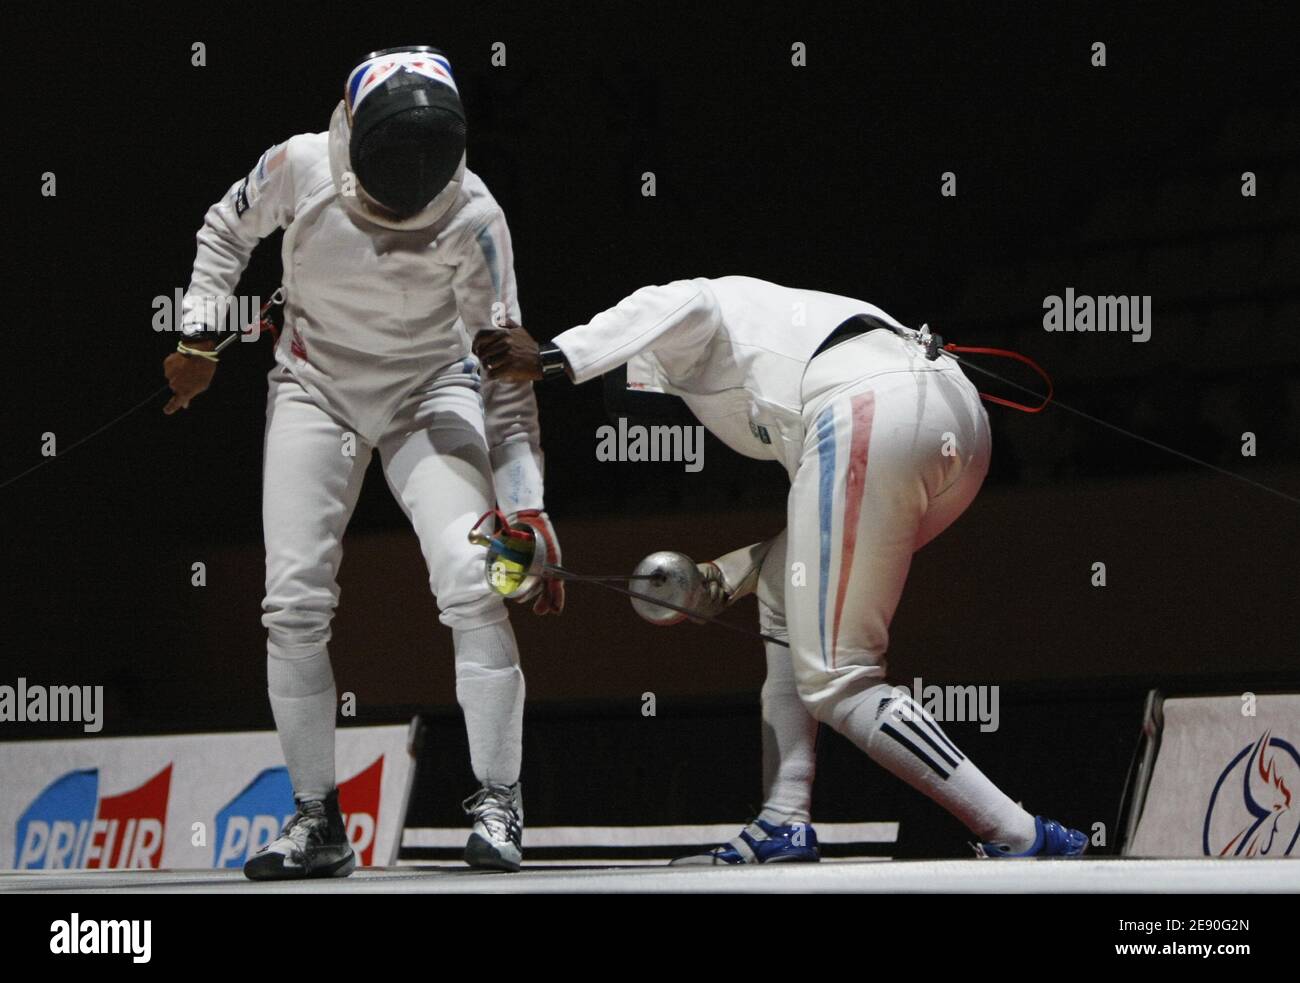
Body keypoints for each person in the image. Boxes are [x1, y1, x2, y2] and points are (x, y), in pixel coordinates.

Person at [474, 275, 1086, 859]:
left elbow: (675, 302)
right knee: (783, 592)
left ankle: (1017, 829)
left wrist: (556, 357)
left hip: (874, 407)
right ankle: (783, 819)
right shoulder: (762, 370)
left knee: (841, 680)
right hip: (949, 425)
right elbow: (813, 542)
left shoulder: (696, 312)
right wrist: (721, 578)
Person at [163, 46, 562, 878]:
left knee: (475, 574)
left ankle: (499, 800)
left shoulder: (477, 218)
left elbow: (509, 376)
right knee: (293, 601)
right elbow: (225, 228)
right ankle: (318, 820)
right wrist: (199, 331)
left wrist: (526, 507)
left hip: (431, 390)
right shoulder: (303, 164)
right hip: (316, 388)